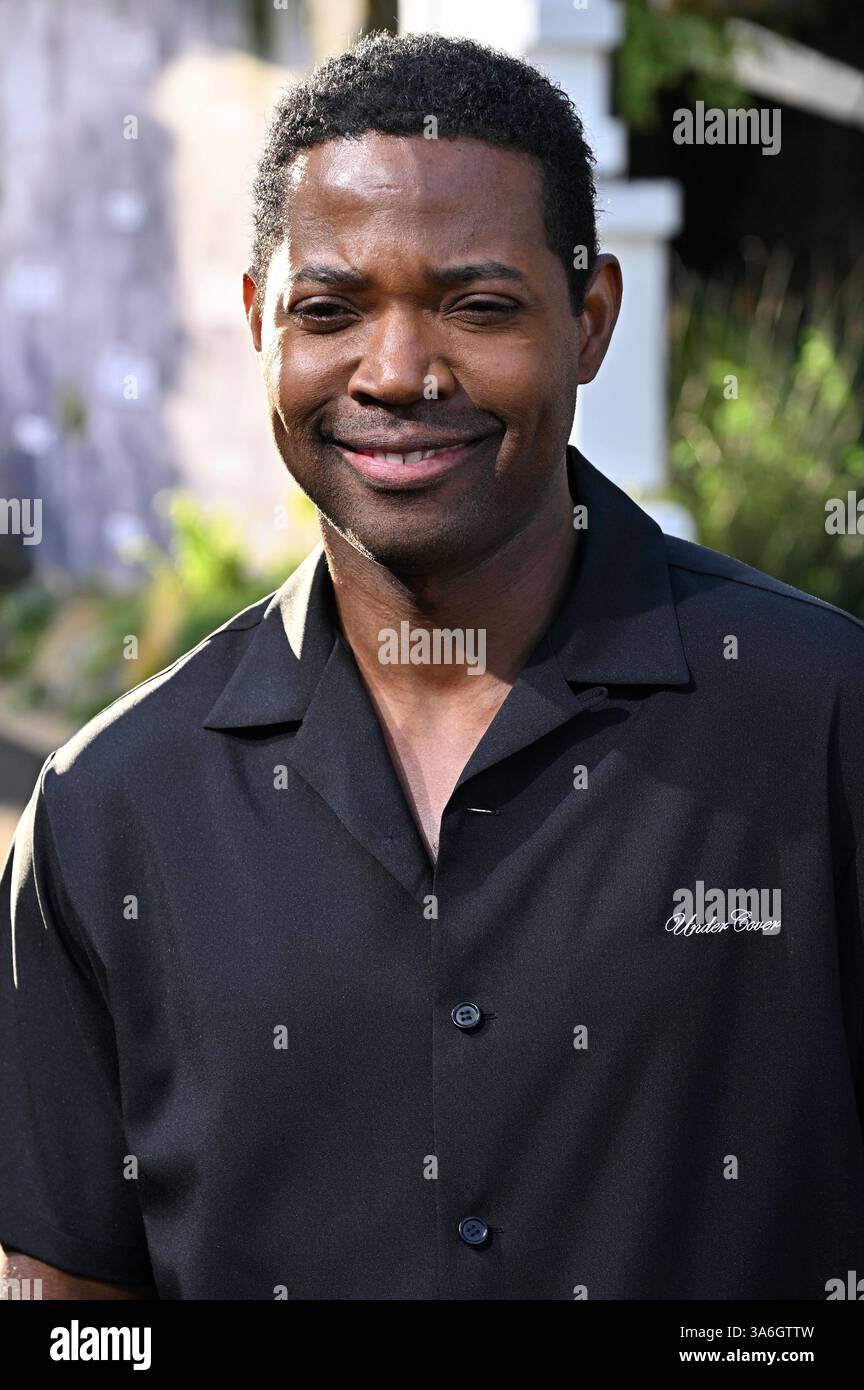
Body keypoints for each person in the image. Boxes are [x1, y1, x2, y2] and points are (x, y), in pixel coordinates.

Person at [2, 30, 863, 1302]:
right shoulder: (110, 807)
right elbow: (67, 1296)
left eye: (479, 305)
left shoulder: (822, 720)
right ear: (259, 324)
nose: (398, 373)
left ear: (591, 320)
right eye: (331, 309)